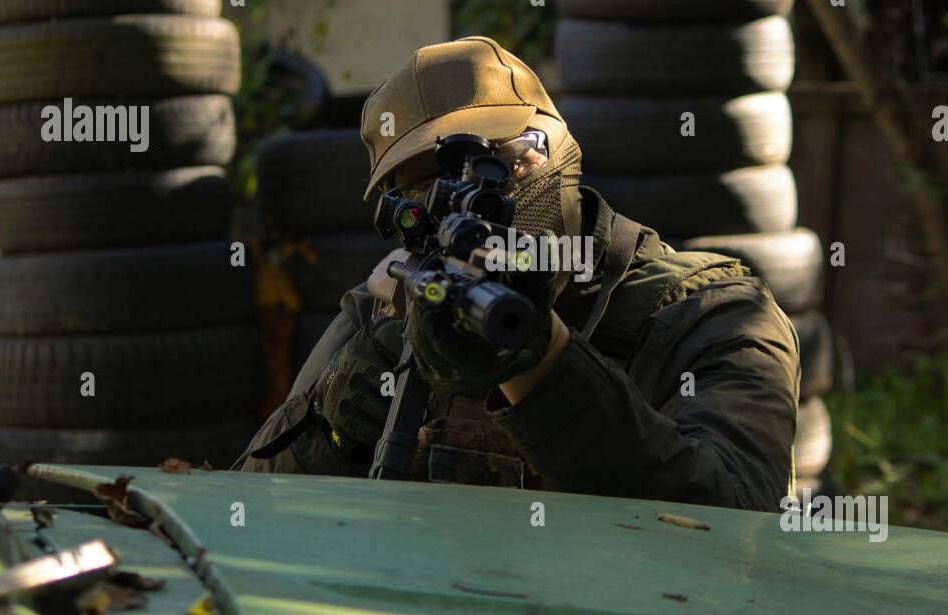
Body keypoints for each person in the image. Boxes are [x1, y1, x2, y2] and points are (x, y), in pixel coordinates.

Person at [235, 36, 800, 511]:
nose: (466, 197)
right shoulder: (389, 306)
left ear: (562, 146)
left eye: (498, 160)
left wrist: (542, 362)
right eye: (422, 184)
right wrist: (338, 424)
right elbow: (250, 513)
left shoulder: (708, 312)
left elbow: (738, 525)